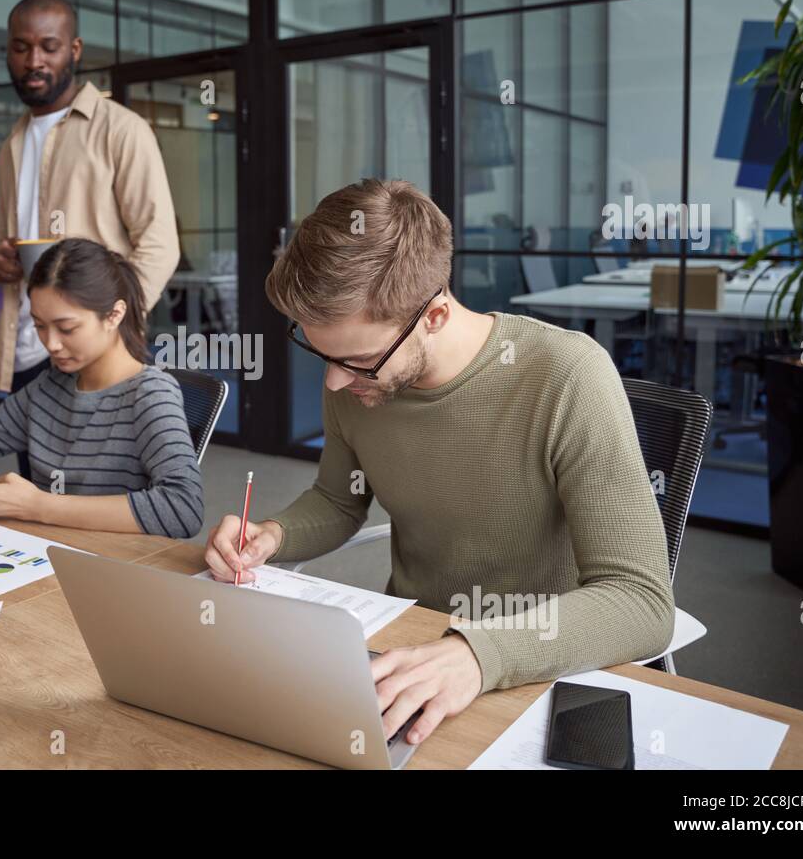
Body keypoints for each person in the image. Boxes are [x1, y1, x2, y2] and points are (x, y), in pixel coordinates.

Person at [202, 179, 674, 747]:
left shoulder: (567, 374)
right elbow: (338, 499)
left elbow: (641, 602)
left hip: (544, 664)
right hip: (408, 647)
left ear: (434, 315)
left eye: (358, 360)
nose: (334, 380)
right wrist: (272, 535)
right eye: (321, 354)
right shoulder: (353, 377)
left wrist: (476, 653)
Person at [0, 239, 202, 539]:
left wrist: (37, 506)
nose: (51, 344)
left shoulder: (151, 394)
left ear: (114, 315)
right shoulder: (49, 386)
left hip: (108, 569)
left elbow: (183, 508)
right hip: (43, 556)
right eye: (40, 326)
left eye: (67, 328)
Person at [0, 0, 179, 398]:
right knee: (31, 464)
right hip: (28, 348)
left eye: (49, 47)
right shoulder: (12, 144)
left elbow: (160, 245)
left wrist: (108, 325)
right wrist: (3, 260)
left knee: (100, 463)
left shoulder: (121, 130)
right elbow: (12, 239)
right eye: (21, 48)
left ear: (74, 50)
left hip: (97, 355)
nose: (34, 60)